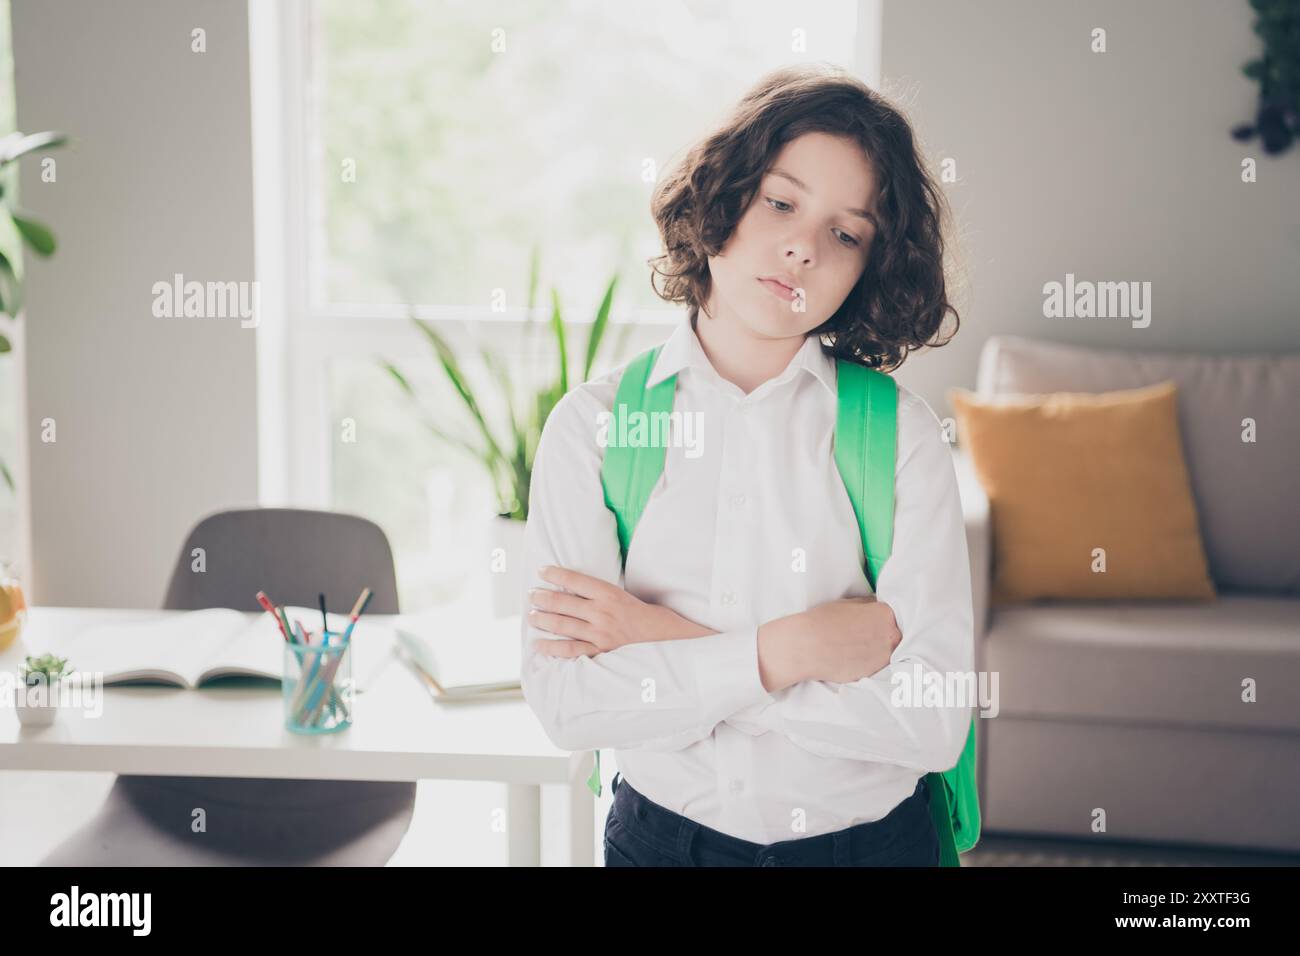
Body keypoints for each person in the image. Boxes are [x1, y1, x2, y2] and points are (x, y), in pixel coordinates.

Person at [520, 62, 973, 867]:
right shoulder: (593, 429)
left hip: (870, 848)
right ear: (721, 198)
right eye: (781, 201)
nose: (802, 247)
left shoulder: (900, 433)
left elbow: (932, 722)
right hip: (662, 842)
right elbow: (571, 707)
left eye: (846, 232)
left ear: (871, 264)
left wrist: (661, 643)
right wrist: (788, 652)